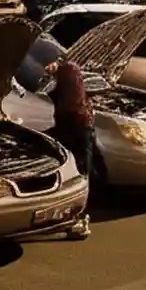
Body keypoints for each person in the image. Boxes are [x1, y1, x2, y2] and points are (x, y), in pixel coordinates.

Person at [43, 58, 93, 239]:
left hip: (76, 127)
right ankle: (77, 215)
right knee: (79, 170)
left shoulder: (68, 71)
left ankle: (78, 217)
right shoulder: (69, 72)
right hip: (78, 126)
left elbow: (69, 105)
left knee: (78, 170)